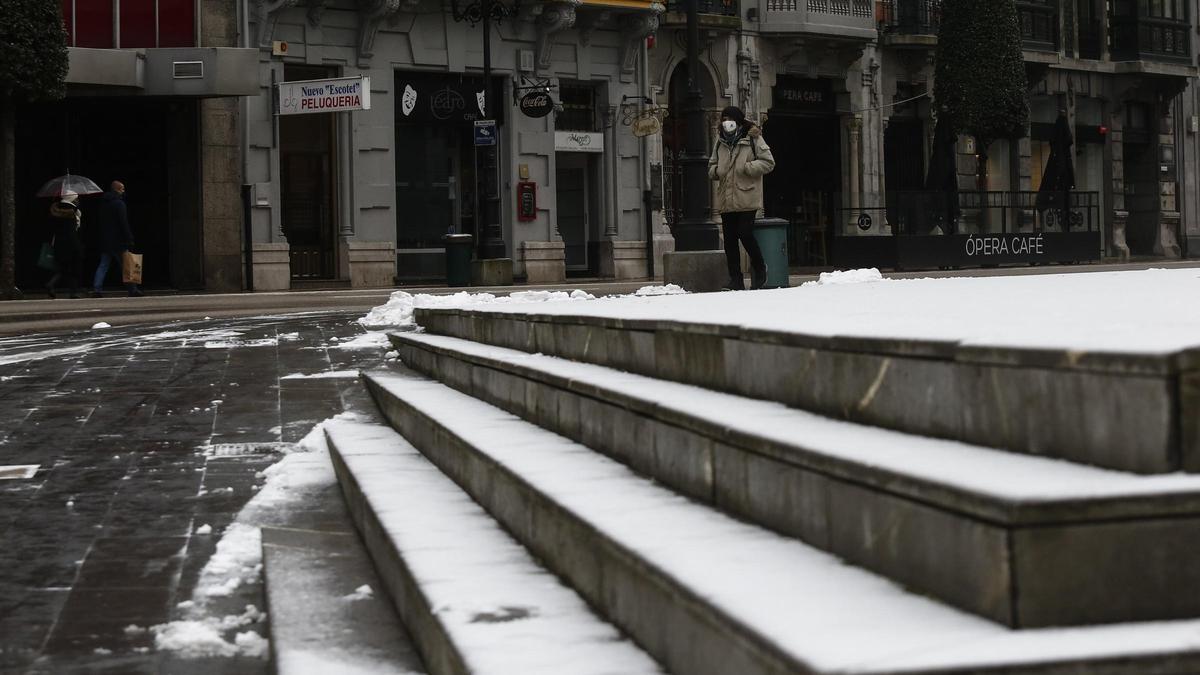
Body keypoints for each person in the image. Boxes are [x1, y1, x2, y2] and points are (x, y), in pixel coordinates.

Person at [708, 106, 776, 290]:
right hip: (726, 198)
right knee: (730, 240)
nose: (726, 122)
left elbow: (769, 162)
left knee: (745, 233)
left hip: (747, 195)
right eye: (723, 119)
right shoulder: (720, 141)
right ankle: (735, 279)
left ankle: (760, 267)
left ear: (738, 121)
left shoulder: (753, 138)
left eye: (729, 119)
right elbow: (711, 165)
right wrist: (717, 171)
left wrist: (748, 167)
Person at [92, 180, 143, 297]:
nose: (124, 191)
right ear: (117, 189)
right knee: (126, 265)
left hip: (105, 240)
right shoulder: (119, 204)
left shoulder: (103, 204)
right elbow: (123, 223)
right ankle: (132, 289)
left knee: (103, 265)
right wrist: (129, 238)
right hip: (119, 241)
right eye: (122, 189)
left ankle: (97, 289)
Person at [45, 192, 84, 299]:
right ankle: (73, 292)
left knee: (63, 267)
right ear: (72, 199)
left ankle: (51, 283)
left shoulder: (55, 210)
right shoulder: (73, 211)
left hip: (59, 242)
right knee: (75, 267)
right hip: (72, 242)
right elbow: (75, 229)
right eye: (76, 198)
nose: (77, 200)